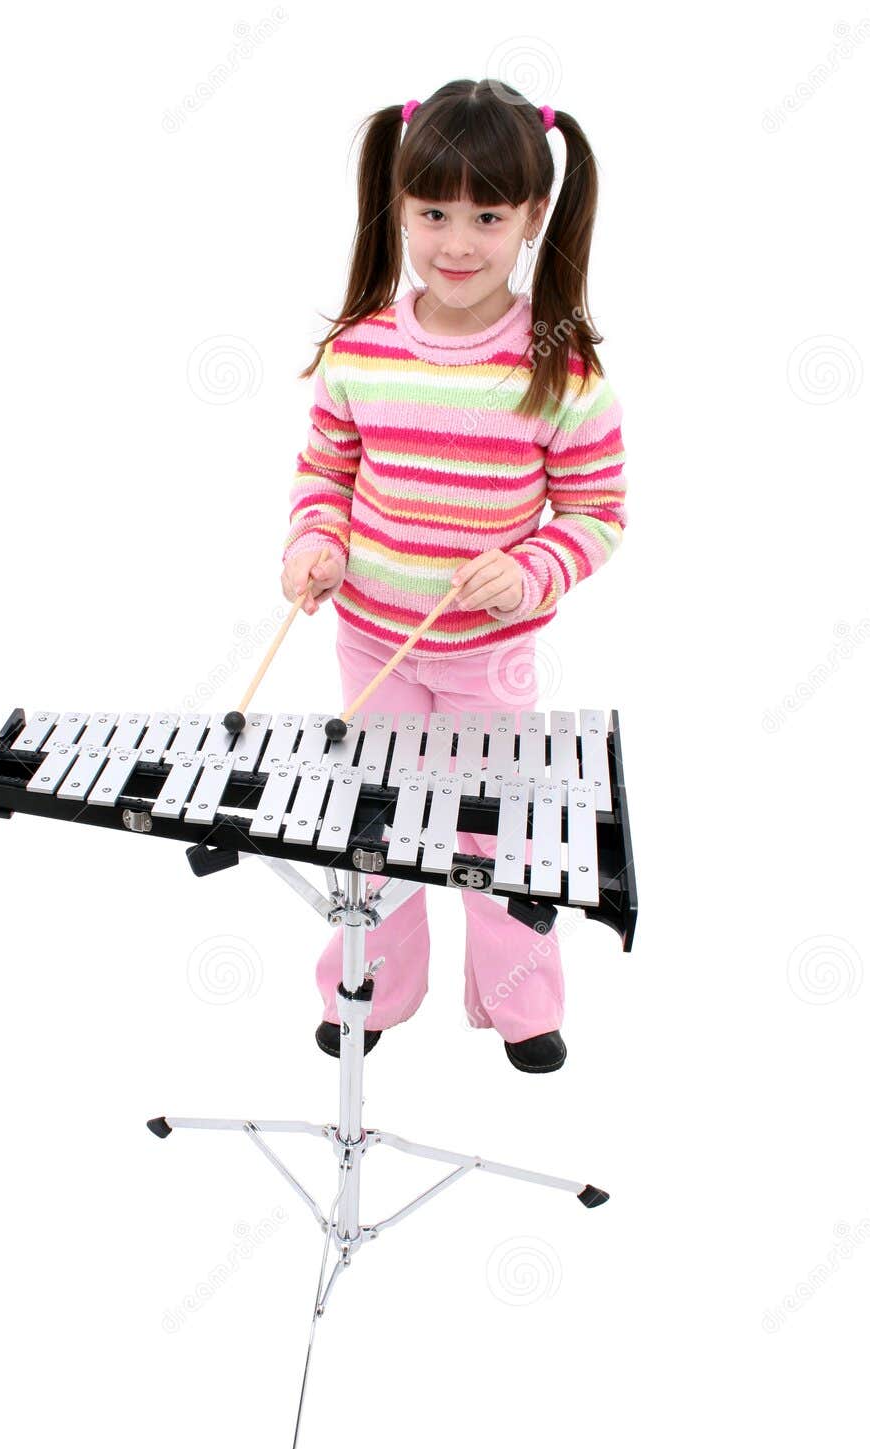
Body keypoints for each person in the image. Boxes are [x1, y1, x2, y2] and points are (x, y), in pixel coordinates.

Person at [280, 78, 628, 1075]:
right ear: (397, 205)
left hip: (490, 660)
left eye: (487, 214)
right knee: (376, 827)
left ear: (529, 220)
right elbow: (324, 473)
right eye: (433, 211)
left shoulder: (557, 365)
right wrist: (314, 546)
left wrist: (527, 573)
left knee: (491, 833)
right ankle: (369, 991)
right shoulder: (361, 346)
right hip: (371, 641)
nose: (456, 240)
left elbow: (595, 514)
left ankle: (520, 1005)